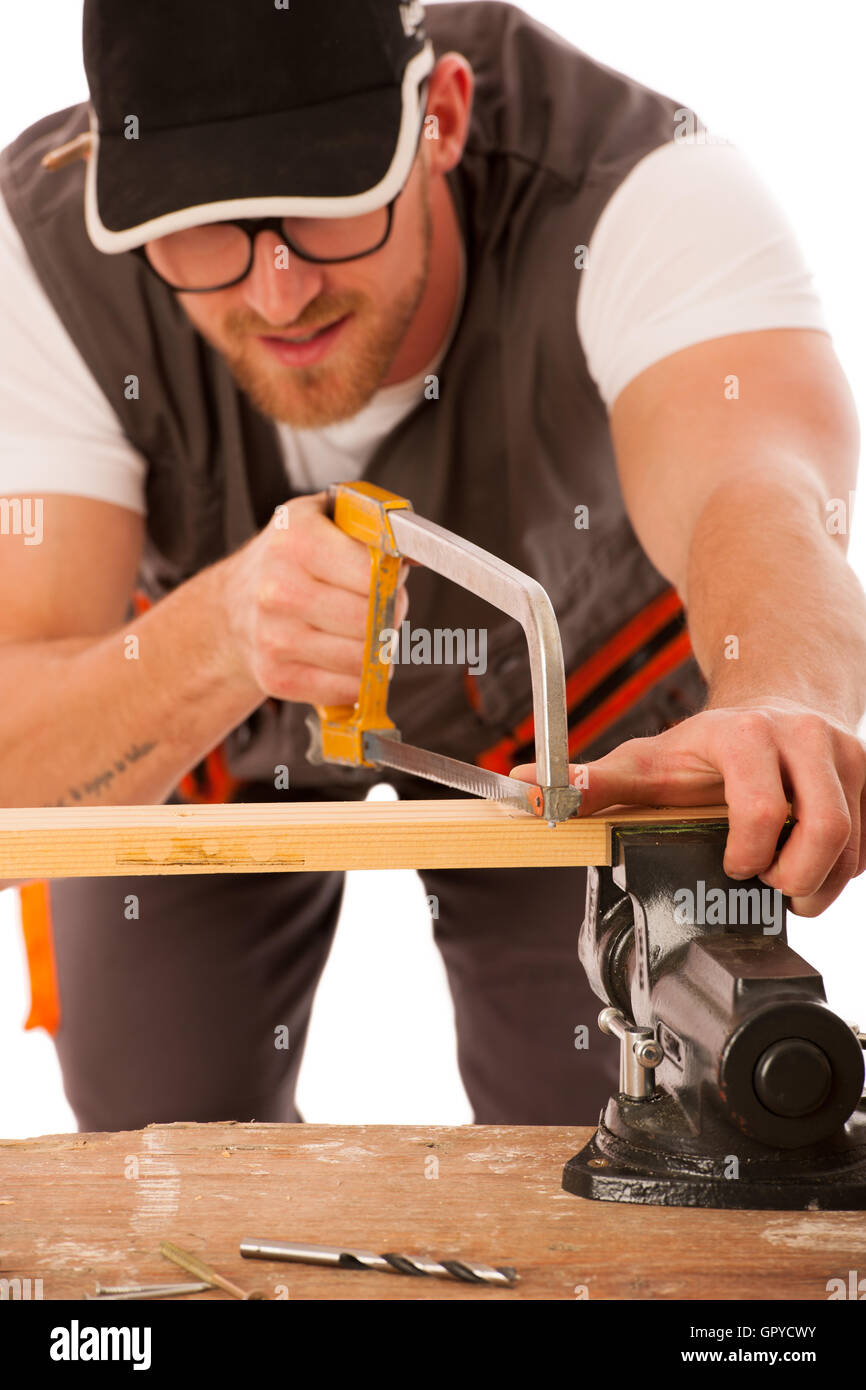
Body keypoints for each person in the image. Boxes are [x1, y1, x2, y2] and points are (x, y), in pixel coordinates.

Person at [0, 0, 863, 1132]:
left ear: (441, 117)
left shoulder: (641, 187)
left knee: (634, 1117)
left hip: (582, 730)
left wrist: (780, 695)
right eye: (200, 229)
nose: (277, 293)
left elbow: (758, 490)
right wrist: (216, 636)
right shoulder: (42, 255)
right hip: (208, 723)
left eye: (324, 205)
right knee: (154, 1122)